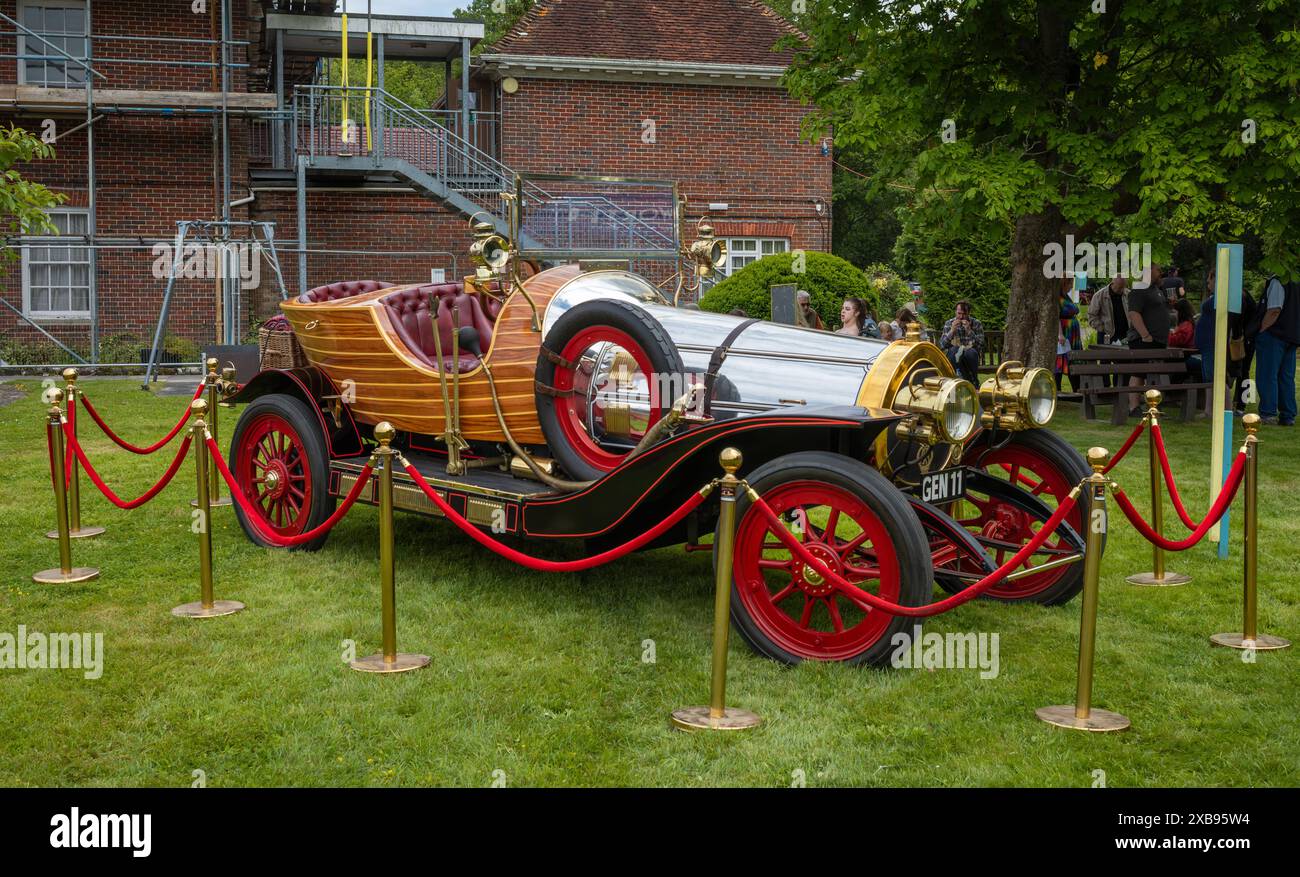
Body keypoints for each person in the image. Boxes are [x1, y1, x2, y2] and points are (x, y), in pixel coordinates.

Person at [1252, 275, 1299, 426]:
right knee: (1286, 377)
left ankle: (1268, 413)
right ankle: (1288, 415)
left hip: (1274, 334)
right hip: (1291, 336)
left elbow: (1274, 310)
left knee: (1267, 375)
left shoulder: (1278, 281)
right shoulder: (1296, 282)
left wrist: (1261, 330)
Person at [1125, 264, 1170, 413]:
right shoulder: (1139, 289)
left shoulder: (1156, 290)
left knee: (1154, 373)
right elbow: (1134, 313)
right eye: (1158, 270)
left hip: (1158, 341)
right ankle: (1134, 406)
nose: (1161, 273)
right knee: (1138, 372)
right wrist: (1145, 335)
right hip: (1143, 341)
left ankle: (1153, 403)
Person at [939, 300, 984, 383]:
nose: (961, 317)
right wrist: (952, 331)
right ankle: (961, 381)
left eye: (964, 314)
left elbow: (981, 344)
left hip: (970, 354)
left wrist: (970, 331)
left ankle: (971, 381)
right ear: (955, 312)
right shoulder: (949, 323)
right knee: (954, 350)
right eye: (959, 313)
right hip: (954, 355)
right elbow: (942, 345)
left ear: (969, 313)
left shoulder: (976, 323)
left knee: (970, 352)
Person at [1086, 274, 1129, 345]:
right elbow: (1091, 316)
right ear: (1112, 283)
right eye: (1119, 287)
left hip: (1125, 335)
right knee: (1105, 355)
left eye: (1123, 287)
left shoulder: (1128, 294)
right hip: (1106, 335)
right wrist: (1102, 328)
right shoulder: (1099, 296)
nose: (1121, 290)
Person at [1055, 288, 1082, 393]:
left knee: (1073, 361)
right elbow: (1055, 315)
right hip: (1065, 334)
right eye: (1069, 282)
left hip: (1073, 335)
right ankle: (1057, 390)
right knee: (1061, 361)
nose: (1071, 286)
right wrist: (1060, 334)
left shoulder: (1066, 296)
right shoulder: (1057, 297)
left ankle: (1077, 391)